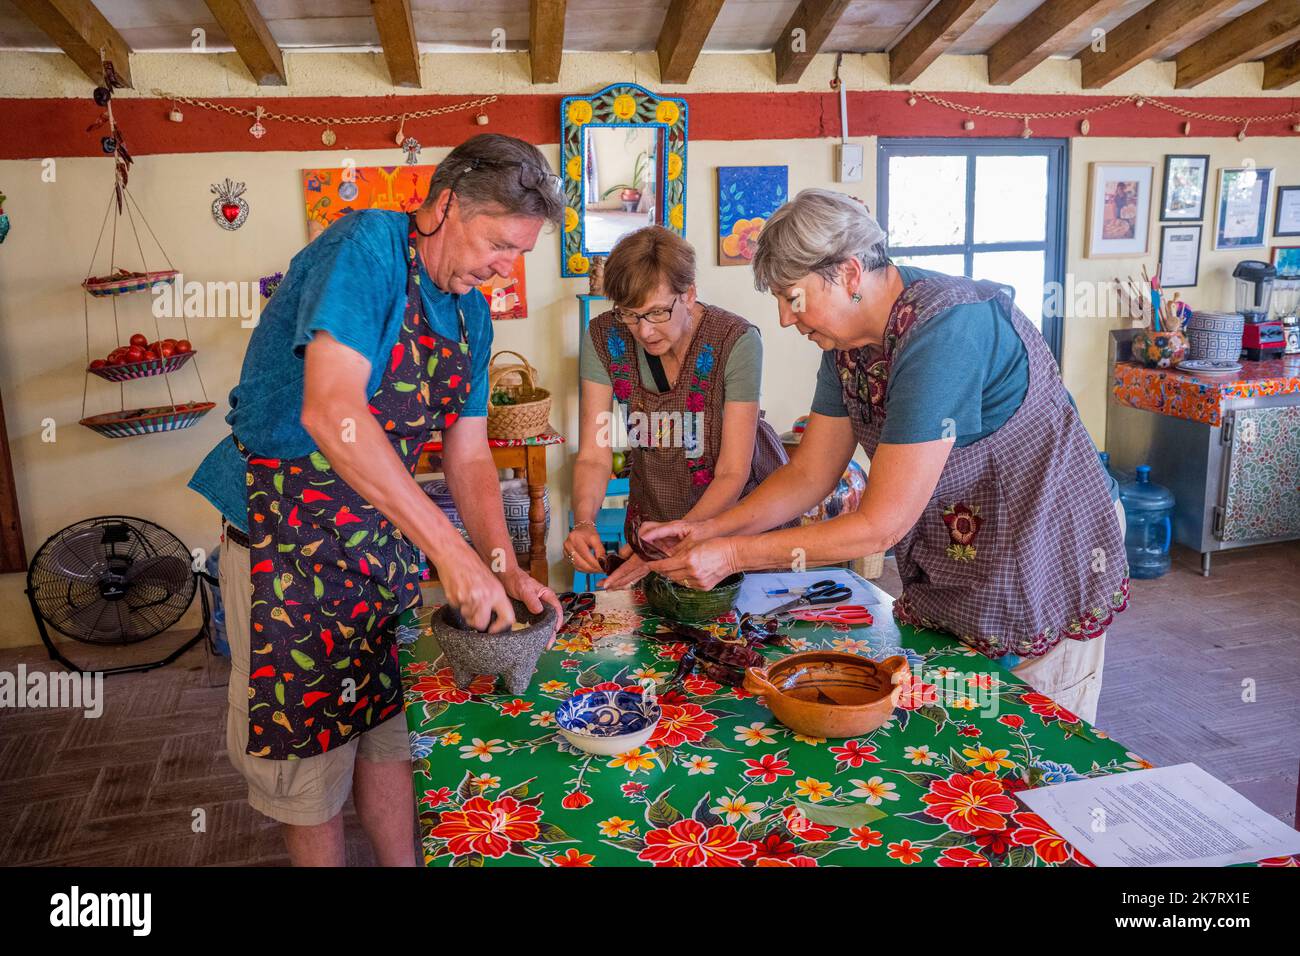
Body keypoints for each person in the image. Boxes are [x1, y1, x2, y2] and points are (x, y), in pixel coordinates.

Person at [187, 133, 565, 865]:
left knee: (385, 735)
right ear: (444, 205)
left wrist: (501, 562)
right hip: (284, 549)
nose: (504, 266)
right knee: (309, 764)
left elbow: (469, 454)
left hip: (373, 546)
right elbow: (333, 413)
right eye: (497, 244)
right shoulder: (365, 248)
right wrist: (451, 554)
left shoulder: (469, 314)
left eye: (520, 253)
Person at [644, 188, 1127, 725]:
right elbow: (809, 474)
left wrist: (733, 556)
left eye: (793, 298)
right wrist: (709, 531)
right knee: (964, 725)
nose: (784, 318)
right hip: (970, 547)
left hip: (1047, 541)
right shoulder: (845, 342)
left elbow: (879, 527)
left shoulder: (946, 331)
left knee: (1033, 736)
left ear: (850, 273)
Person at [564, 226, 790, 590]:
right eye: (630, 314)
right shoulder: (604, 337)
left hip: (734, 522)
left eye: (656, 313)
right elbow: (594, 455)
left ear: (689, 294)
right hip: (654, 517)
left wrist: (672, 542)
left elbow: (732, 472)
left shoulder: (736, 341)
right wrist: (585, 523)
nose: (644, 331)